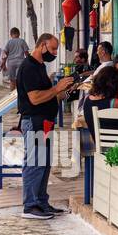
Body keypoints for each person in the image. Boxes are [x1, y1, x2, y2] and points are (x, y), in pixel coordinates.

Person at [16, 33, 76, 219]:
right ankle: (30, 205)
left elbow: (49, 95)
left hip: (44, 121)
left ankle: (41, 201)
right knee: (35, 163)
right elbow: (35, 98)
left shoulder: (40, 66)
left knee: (44, 163)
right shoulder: (29, 67)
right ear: (42, 45)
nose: (55, 53)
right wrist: (57, 88)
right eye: (52, 49)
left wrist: (65, 92)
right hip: (35, 120)